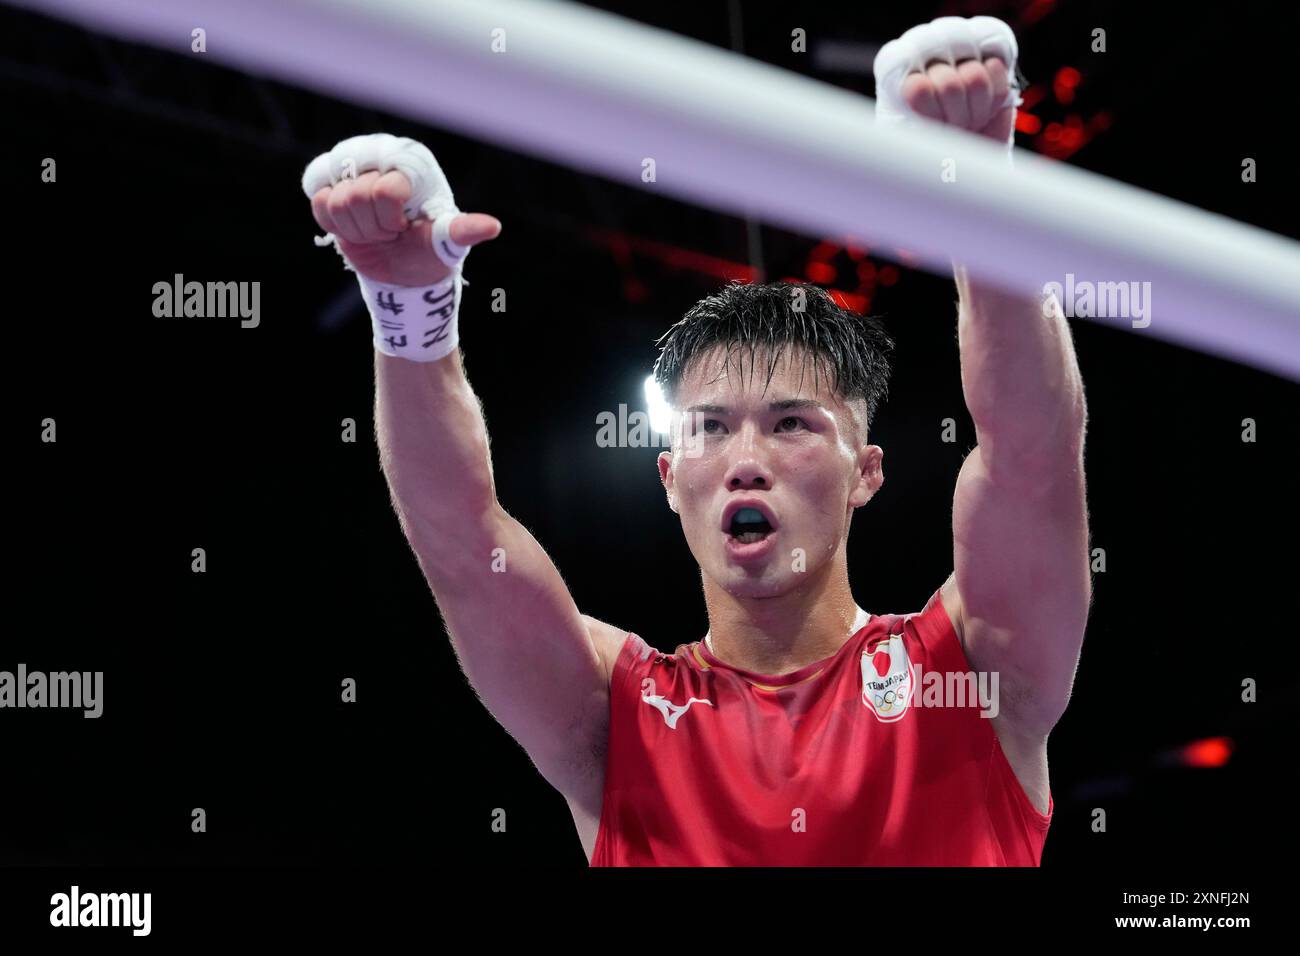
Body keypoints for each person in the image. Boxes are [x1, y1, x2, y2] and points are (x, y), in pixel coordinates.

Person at [303, 16, 1090, 865]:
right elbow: (459, 540)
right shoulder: (615, 714)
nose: (745, 461)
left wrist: (980, 189)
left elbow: (1034, 456)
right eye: (710, 429)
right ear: (671, 476)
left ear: (865, 472)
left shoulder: (969, 677)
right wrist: (410, 314)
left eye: (791, 423)